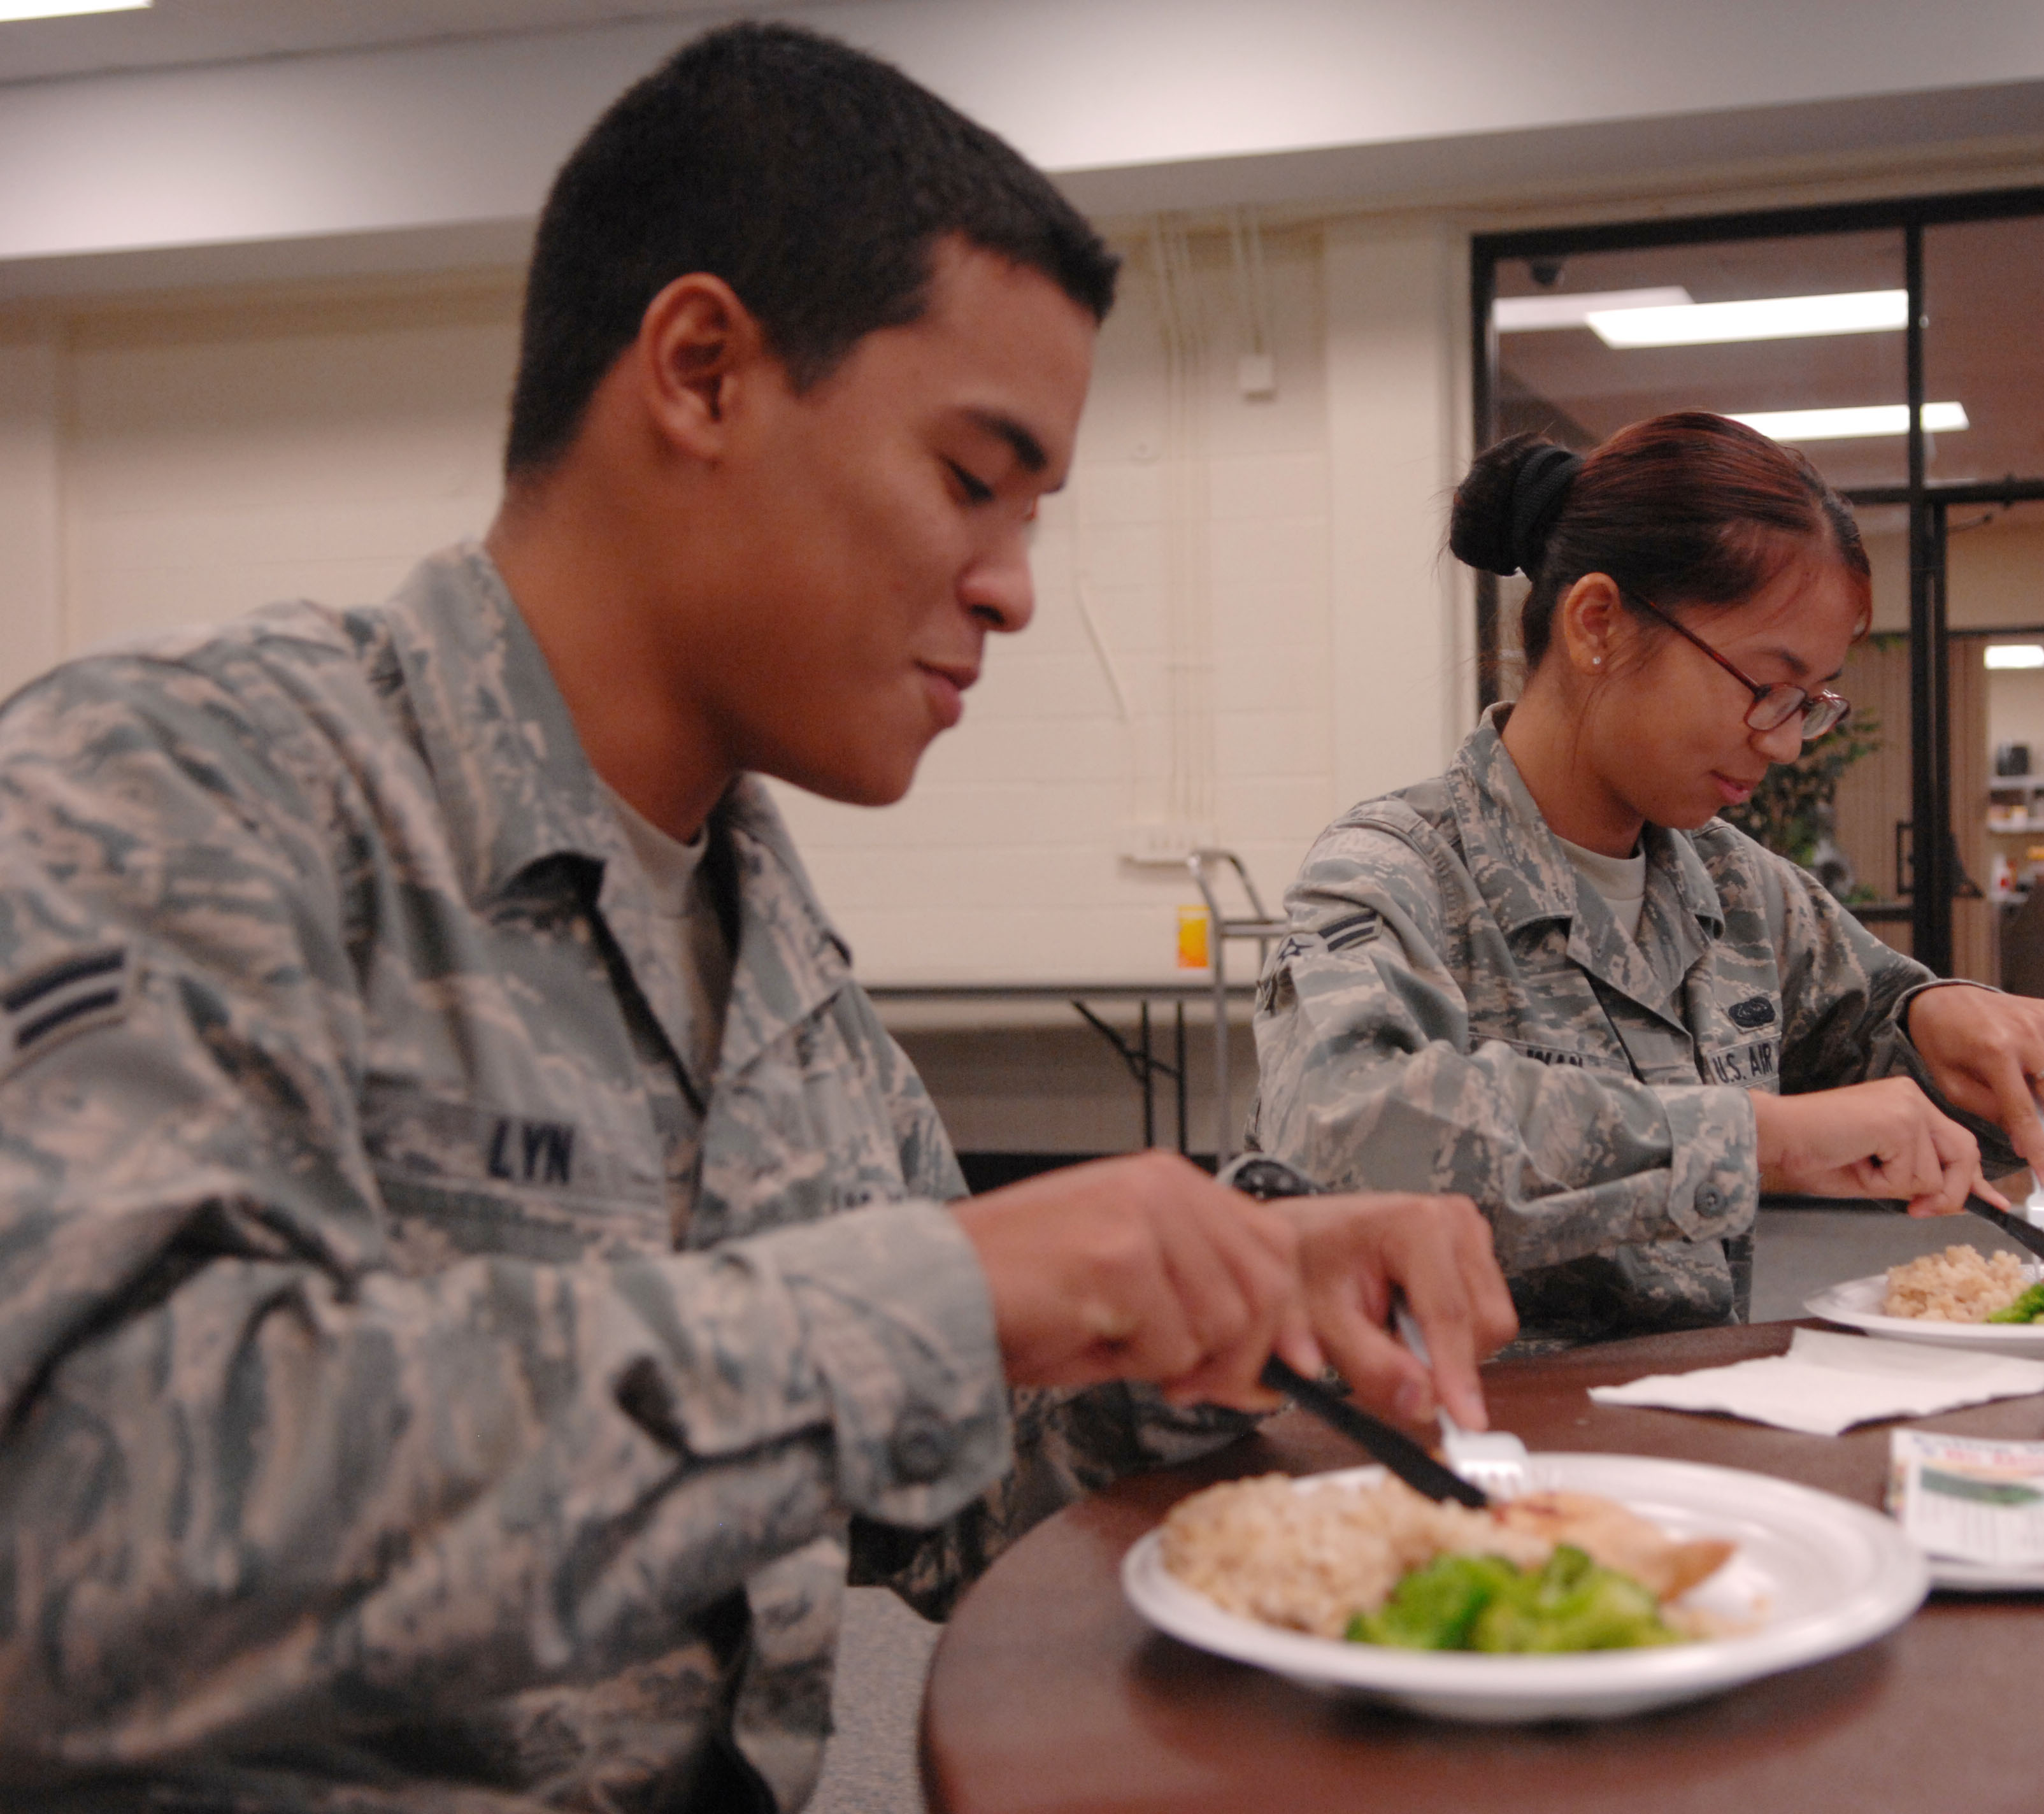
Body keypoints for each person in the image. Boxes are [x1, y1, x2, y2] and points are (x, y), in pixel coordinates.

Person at [0, 24, 1512, 1812]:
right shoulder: (180, 787)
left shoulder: (766, 943)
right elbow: (73, 1542)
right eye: (972, 479)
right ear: (703, 371)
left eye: (1034, 513)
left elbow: (939, 1496)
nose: (1016, 592)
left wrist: (1217, 1313)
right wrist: (946, 1292)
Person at [1248, 415, 2044, 1348]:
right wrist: (1761, 1140)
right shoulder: (1396, 872)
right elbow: (1343, 1142)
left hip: (1698, 1430)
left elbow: (1887, 1068)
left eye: (1810, 704)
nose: (1783, 742)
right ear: (1599, 624)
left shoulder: (1737, 888)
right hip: (1460, 1457)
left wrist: (1941, 1019)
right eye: (1764, 687)